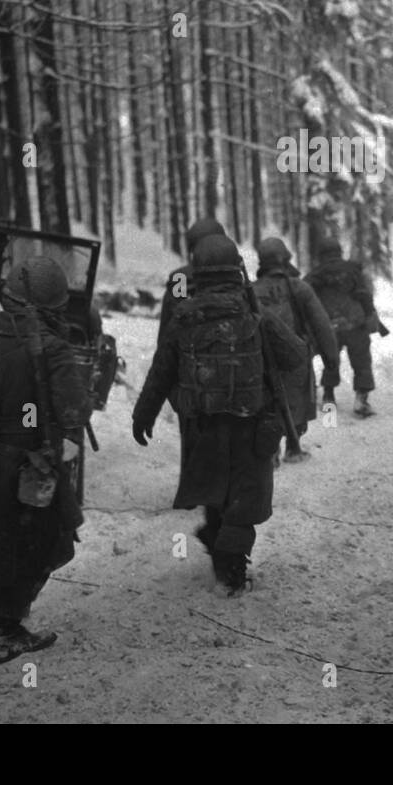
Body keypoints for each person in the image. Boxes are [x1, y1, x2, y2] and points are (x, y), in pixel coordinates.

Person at [131, 235, 303, 592]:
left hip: (202, 426)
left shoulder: (184, 317)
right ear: (236, 270)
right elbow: (295, 356)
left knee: (214, 492)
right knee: (244, 499)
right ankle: (232, 573)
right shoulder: (255, 316)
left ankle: (215, 537)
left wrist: (143, 415)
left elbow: (161, 370)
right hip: (251, 426)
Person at [0, 257, 90, 664]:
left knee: (0, 533)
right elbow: (73, 412)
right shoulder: (51, 348)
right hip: (31, 465)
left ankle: (0, 612)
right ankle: (7, 628)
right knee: (45, 539)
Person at [252, 237, 339, 463]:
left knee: (268, 402)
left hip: (261, 358)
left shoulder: (251, 292)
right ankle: (293, 445)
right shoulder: (299, 288)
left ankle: (272, 449)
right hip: (296, 355)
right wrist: (332, 361)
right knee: (298, 401)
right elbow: (322, 326)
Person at [157, 217, 226, 495]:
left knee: (192, 432)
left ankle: (191, 490)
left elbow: (168, 333)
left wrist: (167, 382)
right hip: (230, 368)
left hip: (189, 373)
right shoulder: (235, 276)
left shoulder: (181, 279)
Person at [305, 237, 386, 418]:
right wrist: (369, 314)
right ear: (339, 251)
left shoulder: (315, 274)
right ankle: (361, 400)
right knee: (362, 361)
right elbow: (365, 295)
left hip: (329, 325)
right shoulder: (353, 269)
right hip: (355, 323)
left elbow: (306, 298)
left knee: (330, 362)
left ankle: (328, 400)